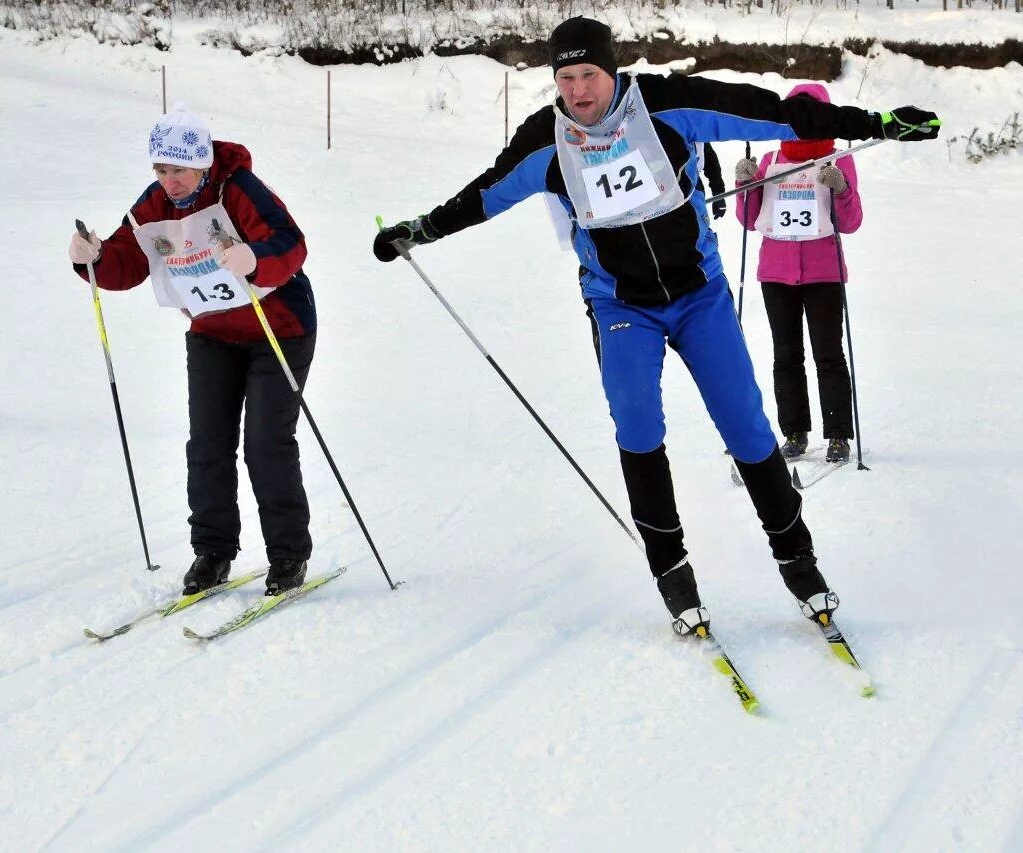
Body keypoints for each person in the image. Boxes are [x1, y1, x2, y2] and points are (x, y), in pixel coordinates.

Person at [371, 16, 939, 635]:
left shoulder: (666, 103)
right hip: (620, 306)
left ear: (612, 70)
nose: (580, 91)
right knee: (637, 424)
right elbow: (488, 193)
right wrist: (421, 229)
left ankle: (799, 562)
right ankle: (673, 572)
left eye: (590, 74)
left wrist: (877, 125)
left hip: (699, 297)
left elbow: (776, 114)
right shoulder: (547, 139)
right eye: (566, 78)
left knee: (746, 425)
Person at [69, 103, 317, 597]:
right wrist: (93, 258)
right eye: (161, 170)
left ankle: (288, 555)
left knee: (266, 445)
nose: (170, 181)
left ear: (202, 163)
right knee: (206, 446)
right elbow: (127, 262)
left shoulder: (239, 188)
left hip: (278, 327)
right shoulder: (154, 204)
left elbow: (290, 242)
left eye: (179, 169)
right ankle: (213, 552)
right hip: (212, 333)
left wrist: (256, 258)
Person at [736, 83, 862, 464]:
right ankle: (794, 432)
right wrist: (745, 183)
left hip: (823, 274)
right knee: (786, 356)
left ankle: (838, 434)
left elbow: (852, 221)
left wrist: (840, 189)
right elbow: (749, 219)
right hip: (776, 274)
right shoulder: (771, 158)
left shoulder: (838, 159)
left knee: (828, 355)